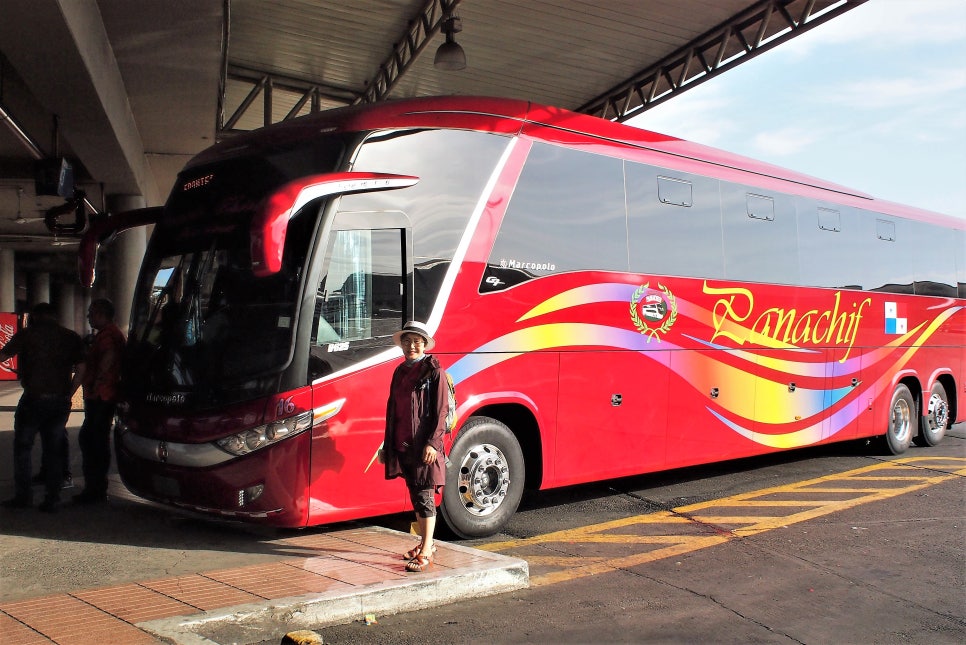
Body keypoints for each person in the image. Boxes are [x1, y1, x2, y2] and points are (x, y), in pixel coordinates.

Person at [0, 302, 86, 512]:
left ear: (36, 316)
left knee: (23, 447)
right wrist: (70, 393)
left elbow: (3, 356)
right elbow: (82, 368)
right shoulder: (70, 336)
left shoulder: (27, 334)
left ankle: (24, 496)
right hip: (59, 400)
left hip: (33, 398)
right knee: (53, 448)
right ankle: (52, 498)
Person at [381, 321, 449, 572]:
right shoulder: (399, 371)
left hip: (424, 446)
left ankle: (427, 549)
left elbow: (441, 410)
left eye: (417, 342)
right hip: (403, 444)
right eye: (407, 341)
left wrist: (433, 443)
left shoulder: (433, 371)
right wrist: (387, 445)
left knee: (424, 495)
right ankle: (424, 543)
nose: (411, 346)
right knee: (415, 493)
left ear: (424, 345)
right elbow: (393, 411)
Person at [72, 298, 126, 504]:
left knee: (93, 441)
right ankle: (95, 487)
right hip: (102, 394)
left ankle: (95, 488)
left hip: (101, 395)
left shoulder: (108, 335)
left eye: (91, 313)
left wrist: (98, 380)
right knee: (93, 440)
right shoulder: (110, 333)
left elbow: (109, 356)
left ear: (102, 314)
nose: (88, 316)